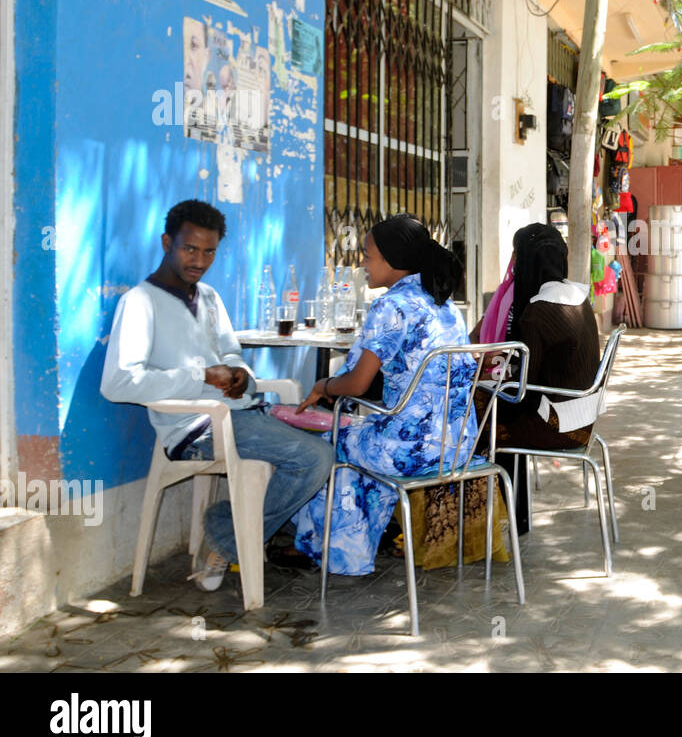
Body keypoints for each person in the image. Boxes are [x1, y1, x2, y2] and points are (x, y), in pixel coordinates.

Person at [101, 200, 334, 591]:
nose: (199, 260)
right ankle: (226, 536)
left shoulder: (208, 297)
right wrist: (201, 376)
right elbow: (119, 382)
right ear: (166, 243)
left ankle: (233, 531)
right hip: (194, 428)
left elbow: (230, 355)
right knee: (315, 457)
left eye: (209, 251)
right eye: (189, 248)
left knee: (328, 441)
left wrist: (240, 375)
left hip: (240, 413)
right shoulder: (140, 303)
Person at [292, 215, 479, 575]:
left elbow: (358, 385)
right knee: (362, 440)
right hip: (459, 444)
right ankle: (346, 552)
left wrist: (323, 387)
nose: (362, 262)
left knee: (331, 443)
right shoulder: (444, 303)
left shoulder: (390, 306)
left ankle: (332, 552)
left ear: (393, 258)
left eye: (367, 254)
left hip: (414, 450)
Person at [484, 223, 601, 533]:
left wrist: (487, 391)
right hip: (585, 422)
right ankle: (513, 516)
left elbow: (524, 392)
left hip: (558, 428)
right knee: (496, 409)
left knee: (484, 420)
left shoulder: (536, 312)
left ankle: (491, 521)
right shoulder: (578, 296)